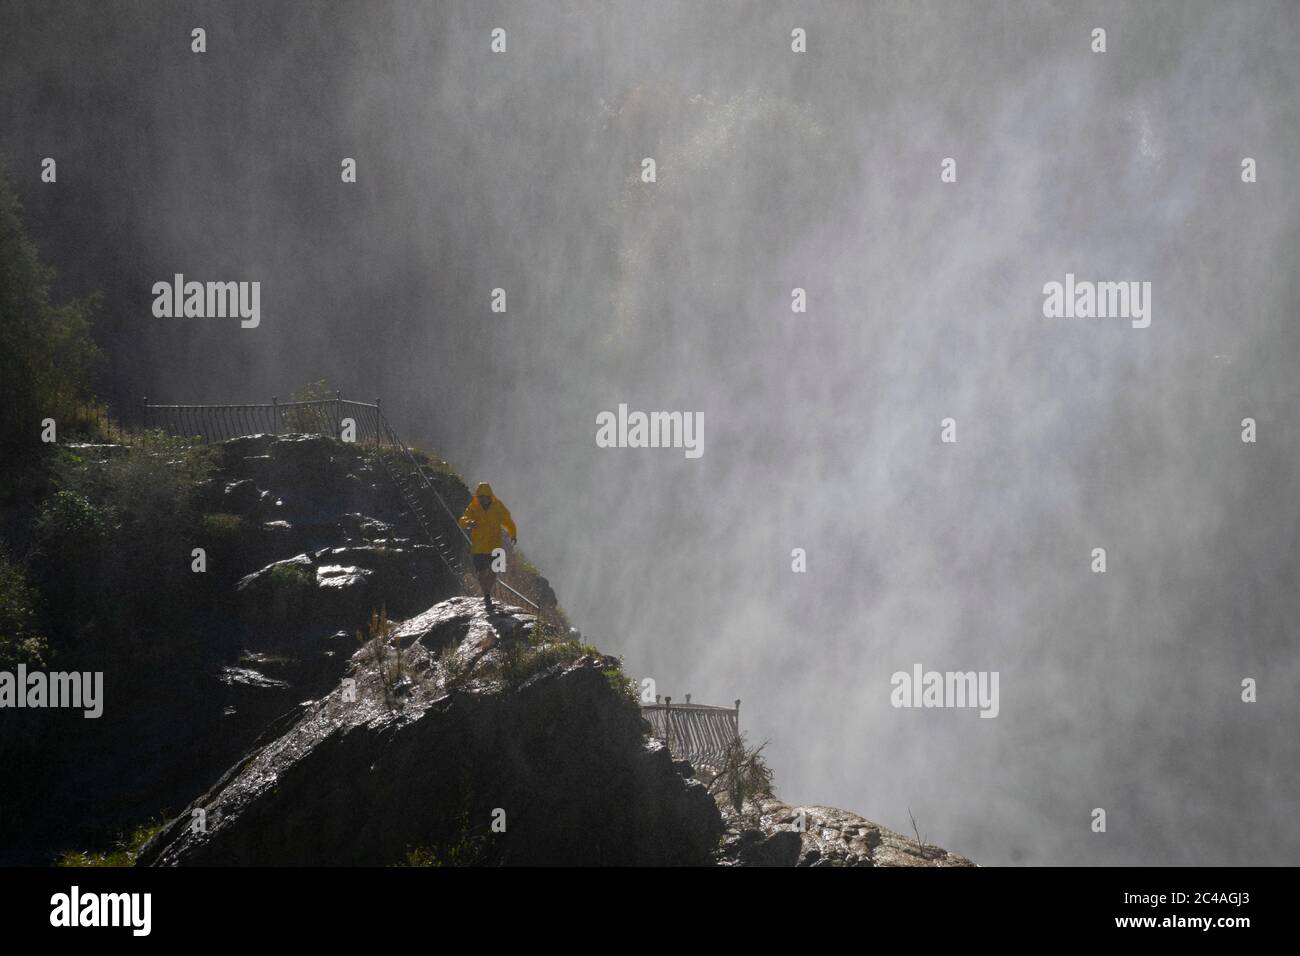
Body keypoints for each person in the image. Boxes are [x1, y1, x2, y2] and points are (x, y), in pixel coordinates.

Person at [458, 481, 517, 610]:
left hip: (495, 546)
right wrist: (469, 522)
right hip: (479, 547)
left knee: (494, 572)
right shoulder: (473, 507)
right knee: (481, 573)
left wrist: (513, 534)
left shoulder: (498, 507)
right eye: (479, 496)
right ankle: (487, 595)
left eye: (484, 496)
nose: (481, 499)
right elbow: (462, 520)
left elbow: (508, 521)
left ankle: (487, 594)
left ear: (489, 496)